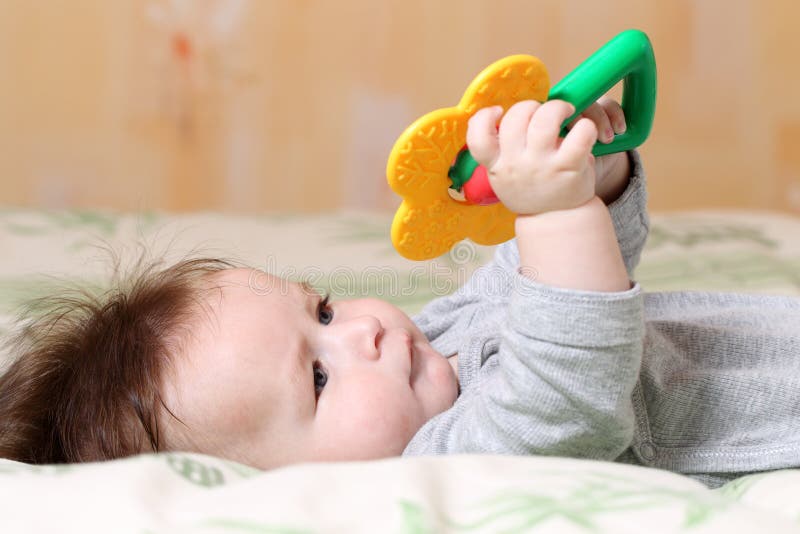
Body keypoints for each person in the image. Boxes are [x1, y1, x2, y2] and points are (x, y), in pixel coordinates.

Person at [1, 98, 798, 489]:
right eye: (316, 379)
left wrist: (591, 177)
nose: (363, 334)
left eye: (321, 311)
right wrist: (556, 212)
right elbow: (572, 371)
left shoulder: (433, 341)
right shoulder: (458, 459)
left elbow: (576, 277)